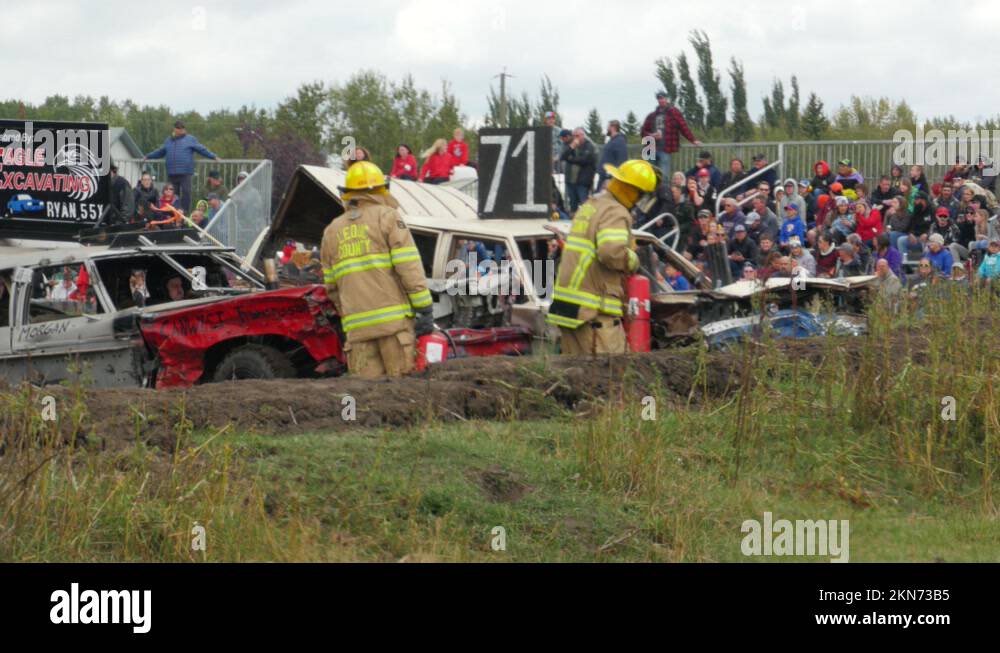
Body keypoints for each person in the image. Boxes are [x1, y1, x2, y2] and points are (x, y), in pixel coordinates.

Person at [319, 161, 433, 378]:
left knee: (367, 399)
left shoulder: (332, 231)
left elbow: (331, 286)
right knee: (402, 391)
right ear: (381, 189)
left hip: (358, 332)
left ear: (348, 193)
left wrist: (349, 314)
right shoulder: (388, 217)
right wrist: (424, 308)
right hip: (395, 328)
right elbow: (408, 267)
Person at [546, 159, 658, 354]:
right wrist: (633, 259)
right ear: (634, 191)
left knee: (575, 376)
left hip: (568, 306)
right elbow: (610, 252)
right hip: (593, 313)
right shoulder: (616, 211)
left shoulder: (591, 205)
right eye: (642, 196)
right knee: (613, 376)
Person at [143, 120, 219, 212]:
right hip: (172, 173)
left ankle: (184, 213)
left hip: (185, 172)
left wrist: (213, 156)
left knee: (186, 193)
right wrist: (148, 156)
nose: (181, 130)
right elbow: (160, 152)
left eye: (182, 128)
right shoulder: (169, 140)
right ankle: (173, 213)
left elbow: (201, 149)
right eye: (178, 128)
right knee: (172, 194)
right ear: (175, 129)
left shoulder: (190, 139)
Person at [640, 91, 700, 178]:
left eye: (663, 98)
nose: (662, 100)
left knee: (664, 176)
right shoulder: (651, 116)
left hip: (665, 148)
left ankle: (664, 191)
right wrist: (652, 135)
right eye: (660, 99)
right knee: (649, 175)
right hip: (649, 147)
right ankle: (651, 192)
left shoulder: (674, 112)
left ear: (667, 99)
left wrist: (693, 140)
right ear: (657, 100)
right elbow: (642, 132)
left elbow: (683, 127)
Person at [561, 127, 598, 213]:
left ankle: (588, 222)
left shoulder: (589, 145)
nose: (575, 138)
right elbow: (563, 157)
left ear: (582, 135)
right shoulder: (571, 145)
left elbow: (584, 160)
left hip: (583, 181)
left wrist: (571, 159)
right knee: (573, 204)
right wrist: (571, 147)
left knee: (584, 203)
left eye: (577, 135)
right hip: (571, 180)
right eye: (573, 136)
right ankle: (573, 222)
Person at [597, 120, 628, 187]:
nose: (607, 129)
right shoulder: (611, 140)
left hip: (609, 178)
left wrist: (611, 177)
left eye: (608, 127)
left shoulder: (620, 141)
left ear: (613, 127)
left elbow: (622, 160)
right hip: (603, 175)